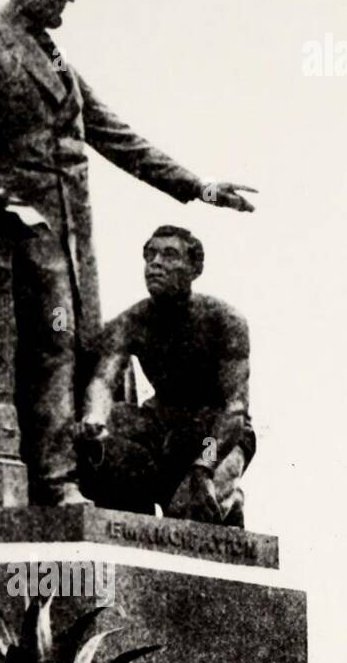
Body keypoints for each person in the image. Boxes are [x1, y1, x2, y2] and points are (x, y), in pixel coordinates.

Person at [0, 0, 256, 506]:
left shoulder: (57, 62)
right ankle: (57, 481)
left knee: (84, 348)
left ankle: (86, 473)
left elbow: (119, 138)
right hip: (28, 230)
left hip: (74, 243)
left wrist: (197, 186)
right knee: (56, 344)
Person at [79, 225, 255, 525]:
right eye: (150, 255)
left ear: (195, 268)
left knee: (190, 512)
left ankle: (228, 499)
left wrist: (204, 467)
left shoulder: (225, 321)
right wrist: (96, 416)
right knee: (108, 438)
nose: (155, 264)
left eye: (169, 255)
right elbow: (104, 380)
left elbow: (234, 410)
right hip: (162, 426)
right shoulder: (132, 321)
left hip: (216, 433)